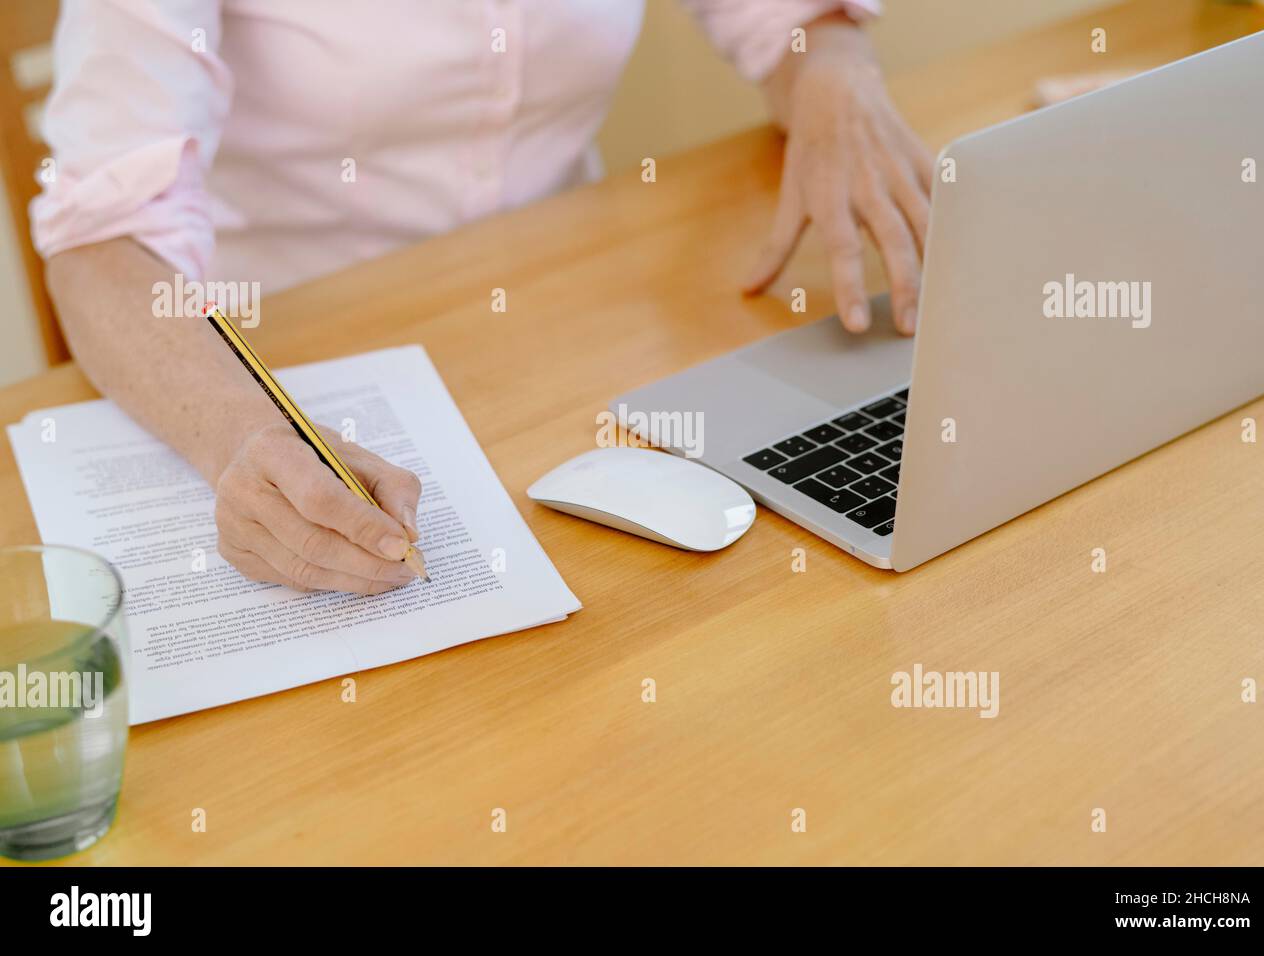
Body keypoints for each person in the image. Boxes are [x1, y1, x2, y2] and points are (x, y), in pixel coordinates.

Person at [33, 1, 934, 595]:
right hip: (281, 362)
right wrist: (237, 430)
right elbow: (99, 239)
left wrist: (832, 75)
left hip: (568, 343)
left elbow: (790, 21)